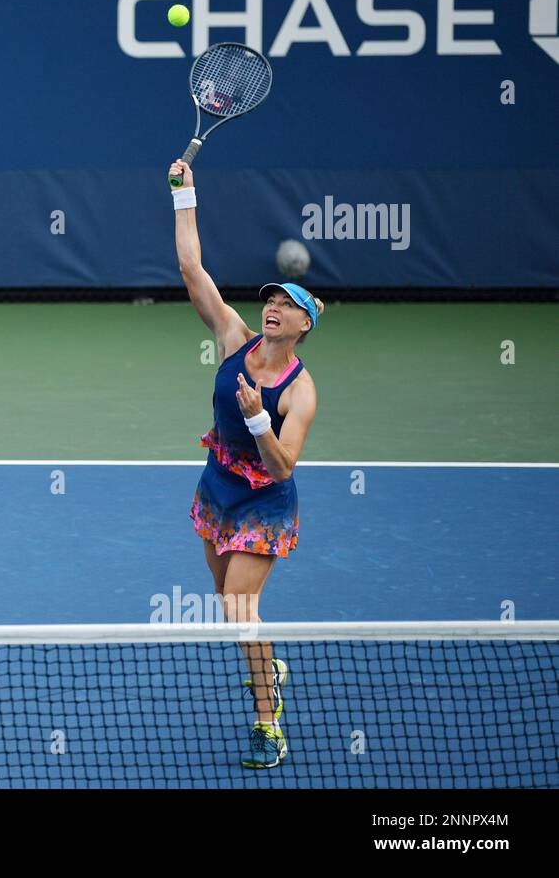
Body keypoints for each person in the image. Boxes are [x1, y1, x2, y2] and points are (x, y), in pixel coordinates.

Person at [169, 158, 322, 770]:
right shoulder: (235, 338)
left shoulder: (299, 391)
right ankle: (266, 661)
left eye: (286, 305)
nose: (272, 308)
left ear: (304, 325)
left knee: (240, 606)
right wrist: (185, 195)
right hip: (218, 487)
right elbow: (191, 270)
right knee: (229, 607)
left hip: (265, 499)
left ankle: (268, 720)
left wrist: (261, 419)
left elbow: (283, 467)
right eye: (270, 301)